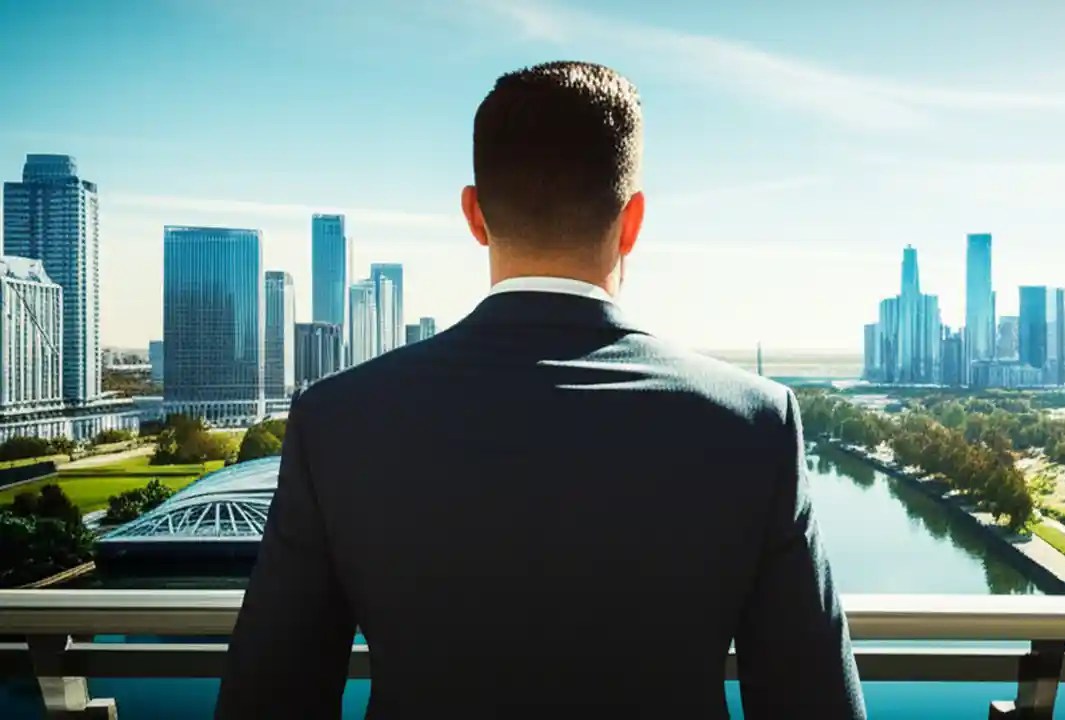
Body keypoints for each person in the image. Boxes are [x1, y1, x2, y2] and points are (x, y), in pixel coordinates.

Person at [216, 61, 864, 719]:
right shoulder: (754, 423)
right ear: (633, 221)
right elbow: (814, 703)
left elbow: (267, 700)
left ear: (474, 214)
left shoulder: (338, 420)